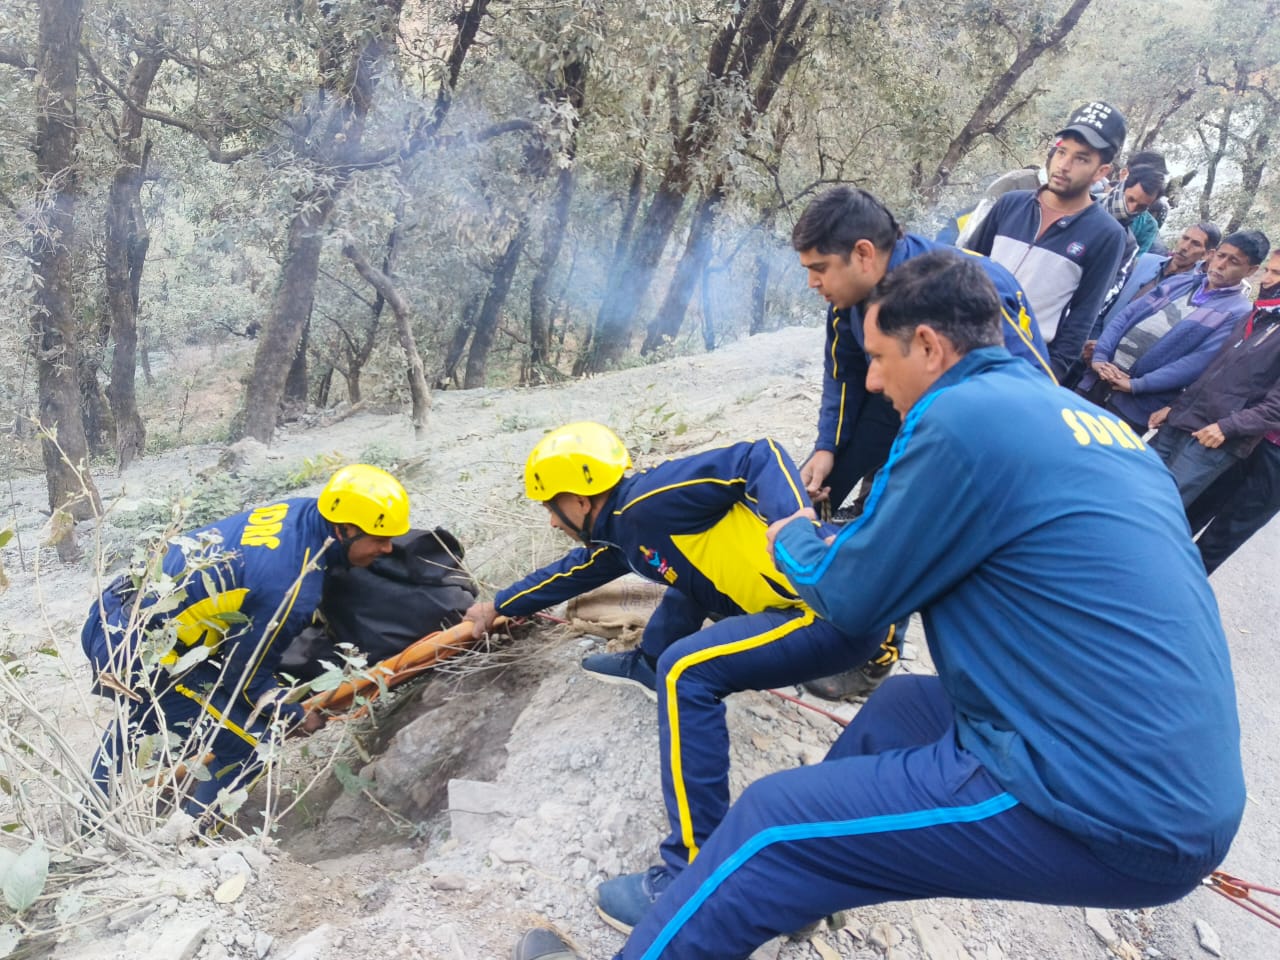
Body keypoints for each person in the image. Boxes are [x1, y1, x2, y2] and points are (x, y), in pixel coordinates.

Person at [512, 250, 1244, 960]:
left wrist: (795, 536)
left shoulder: (959, 417)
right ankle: (798, 886)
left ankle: (748, 878)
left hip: (1100, 796)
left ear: (927, 346)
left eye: (877, 358)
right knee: (895, 714)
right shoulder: (1096, 426)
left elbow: (852, 596)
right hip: (1146, 755)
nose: (869, 380)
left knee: (771, 819)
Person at [463, 423, 889, 931]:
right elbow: (580, 569)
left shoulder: (647, 501)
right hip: (804, 603)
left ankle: (695, 873)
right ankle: (647, 663)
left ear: (578, 500)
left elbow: (758, 454)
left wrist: (793, 521)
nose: (552, 523)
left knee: (685, 673)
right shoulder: (623, 529)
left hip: (827, 610)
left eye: (549, 506)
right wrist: (499, 606)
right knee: (685, 573)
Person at [790, 187, 1052, 700]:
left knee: (899, 526)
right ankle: (816, 595)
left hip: (958, 422)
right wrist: (827, 447)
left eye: (819, 267)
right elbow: (844, 373)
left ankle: (873, 652)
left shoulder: (965, 286)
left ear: (863, 254)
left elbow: (1034, 383)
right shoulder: (847, 296)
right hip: (886, 399)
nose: (812, 282)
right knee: (817, 490)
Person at [82, 464, 410, 818]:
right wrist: (292, 714)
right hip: (138, 652)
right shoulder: (290, 584)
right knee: (253, 744)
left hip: (115, 610)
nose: (389, 548)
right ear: (345, 529)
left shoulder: (302, 512)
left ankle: (89, 821)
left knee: (138, 722)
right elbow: (247, 679)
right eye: (380, 539)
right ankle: (187, 840)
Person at [968, 101, 1128, 377]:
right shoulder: (1011, 204)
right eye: (1062, 152)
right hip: (958, 340)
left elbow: (1081, 319)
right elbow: (966, 266)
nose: (1064, 165)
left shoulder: (1107, 235)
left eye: (1081, 158)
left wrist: (1048, 378)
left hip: (1017, 366)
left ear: (1101, 171)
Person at [1074, 230, 1259, 431]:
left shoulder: (1238, 312)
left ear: (1251, 270)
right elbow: (1125, 316)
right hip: (1098, 378)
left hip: (1134, 405)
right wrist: (1100, 356)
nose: (1221, 265)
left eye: (1234, 261)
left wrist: (1138, 385)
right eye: (1221, 255)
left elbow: (1197, 362)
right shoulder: (1178, 282)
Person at [1151, 237, 1278, 504]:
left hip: (1214, 439)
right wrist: (1175, 407)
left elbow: (1276, 408)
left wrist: (1227, 428)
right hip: (1182, 420)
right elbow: (1213, 372)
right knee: (1130, 483)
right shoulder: (1257, 316)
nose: (1267, 280)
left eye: (1277, 274)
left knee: (1159, 506)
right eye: (1268, 270)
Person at [1089, 222, 1220, 340]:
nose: (1185, 247)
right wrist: (1094, 337)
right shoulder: (1145, 262)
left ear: (1208, 254)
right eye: (1185, 238)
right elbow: (1108, 299)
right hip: (1094, 337)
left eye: (1195, 244)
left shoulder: (1191, 292)